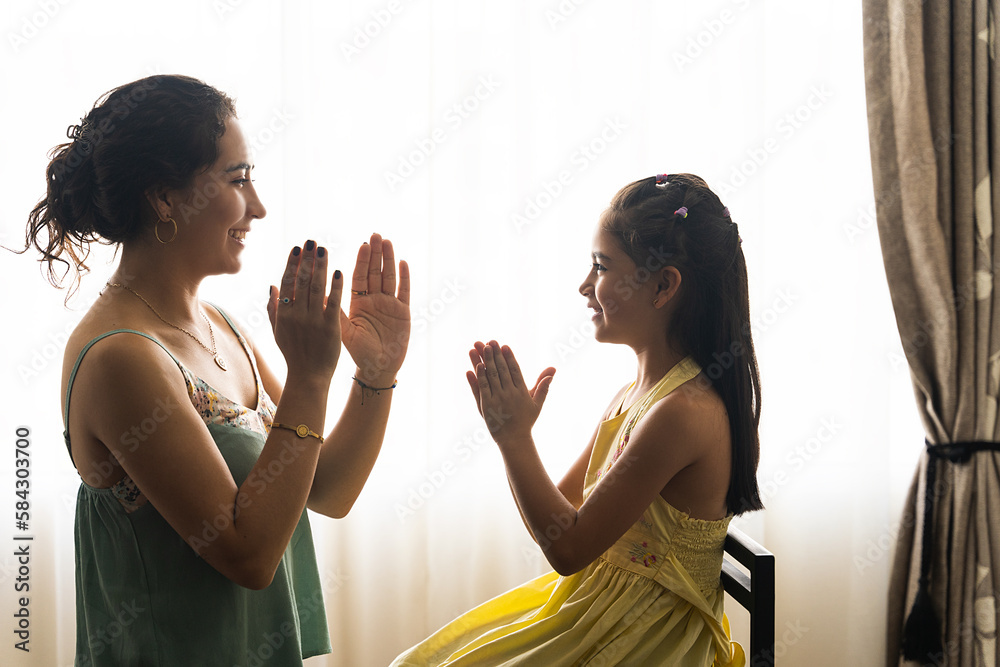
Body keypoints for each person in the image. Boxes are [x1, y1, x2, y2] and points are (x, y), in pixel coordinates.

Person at [24, 74, 411, 665]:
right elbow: (247, 556)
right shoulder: (121, 357)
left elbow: (328, 489)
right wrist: (310, 378)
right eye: (238, 179)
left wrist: (375, 376)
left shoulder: (222, 326)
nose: (257, 207)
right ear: (165, 198)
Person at [391, 173, 759, 666]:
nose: (585, 286)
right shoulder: (635, 394)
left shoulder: (683, 413)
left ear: (663, 285)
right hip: (598, 616)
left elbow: (567, 551)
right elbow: (563, 510)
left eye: (601, 267)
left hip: (647, 641)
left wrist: (513, 438)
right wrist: (514, 434)